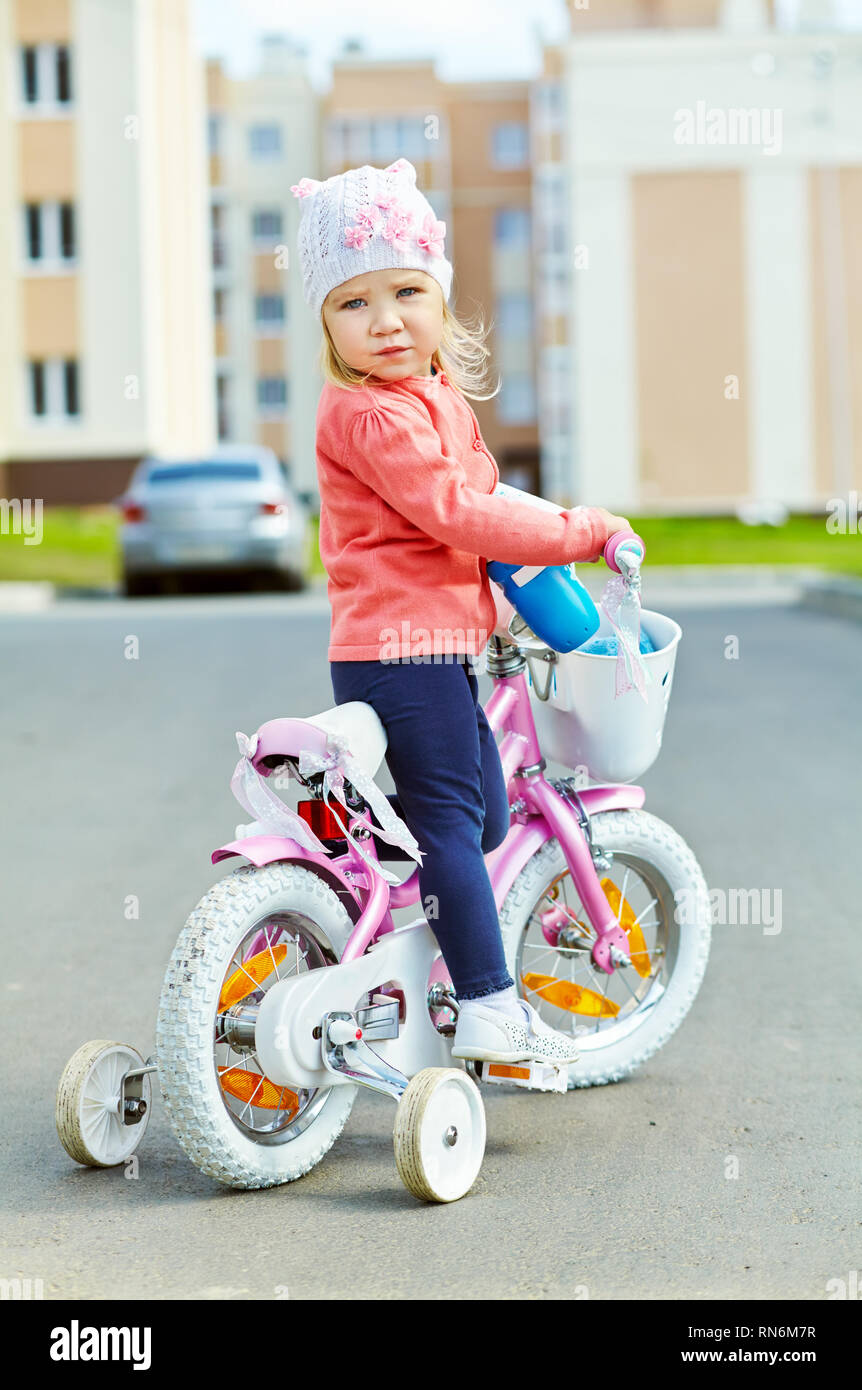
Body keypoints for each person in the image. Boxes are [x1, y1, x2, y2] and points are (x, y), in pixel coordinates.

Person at [292, 158, 629, 1066]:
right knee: (453, 824)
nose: (386, 319)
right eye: (353, 303)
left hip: (435, 647)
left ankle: (373, 858)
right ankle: (488, 1006)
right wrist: (578, 530)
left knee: (477, 820)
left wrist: (519, 548)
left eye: (406, 290)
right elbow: (455, 510)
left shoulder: (429, 397)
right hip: (403, 650)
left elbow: (474, 493)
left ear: (440, 298)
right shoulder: (371, 415)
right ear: (326, 324)